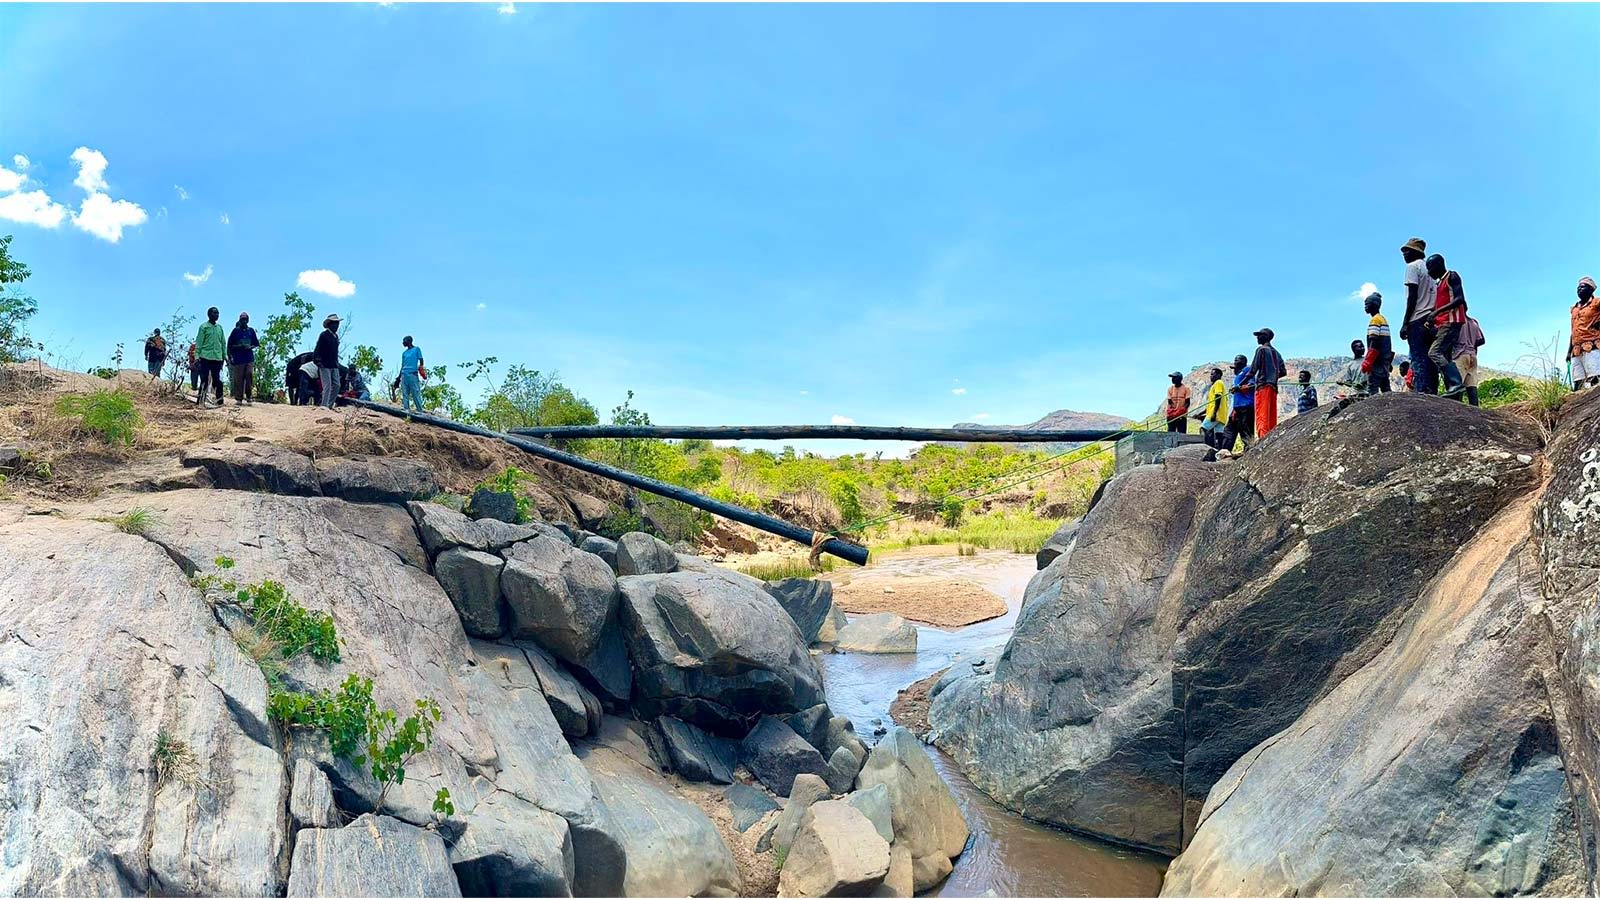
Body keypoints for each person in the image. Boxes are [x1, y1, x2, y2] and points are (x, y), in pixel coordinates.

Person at [1425, 254, 1468, 400]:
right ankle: (1454, 390)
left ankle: (1456, 383)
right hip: (1444, 321)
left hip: (1451, 321)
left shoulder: (1452, 276)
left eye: (1430, 268)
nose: (1429, 272)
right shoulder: (1439, 284)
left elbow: (1460, 299)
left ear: (1439, 265)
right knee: (1446, 355)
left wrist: (1437, 312)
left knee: (1434, 352)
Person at [1399, 237, 1439, 395]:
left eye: (1407, 250)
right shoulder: (1430, 271)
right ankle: (1432, 392)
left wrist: (1405, 323)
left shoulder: (1412, 267)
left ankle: (1422, 393)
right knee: (1431, 358)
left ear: (1416, 252)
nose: (1404, 254)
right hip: (1431, 319)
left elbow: (1412, 297)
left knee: (1418, 357)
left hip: (1417, 318)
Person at [1250, 328, 1286, 439]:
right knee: (1271, 415)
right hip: (1273, 387)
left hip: (1262, 386)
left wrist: (1239, 385)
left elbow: (1252, 371)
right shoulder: (1277, 353)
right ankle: (1271, 439)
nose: (1257, 338)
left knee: (1262, 414)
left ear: (1266, 336)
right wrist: (1273, 376)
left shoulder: (1261, 350)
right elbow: (1283, 372)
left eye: (1259, 335)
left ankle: (1263, 439)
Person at [1220, 354, 1255, 452]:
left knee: (1246, 431)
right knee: (1229, 431)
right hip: (1237, 408)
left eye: (1237, 360)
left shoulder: (1247, 370)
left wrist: (1239, 388)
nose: (1235, 362)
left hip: (1246, 406)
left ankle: (1250, 451)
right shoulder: (1237, 377)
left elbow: (1252, 385)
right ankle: (1224, 452)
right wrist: (1234, 410)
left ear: (1243, 361)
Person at [1361, 291, 1394, 394]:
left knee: (1372, 389)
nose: (1365, 307)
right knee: (1385, 388)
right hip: (1384, 361)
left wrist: (1368, 361)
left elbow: (1374, 342)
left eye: (1367, 304)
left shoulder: (1375, 321)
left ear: (1374, 304)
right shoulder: (1383, 319)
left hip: (1377, 362)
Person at [1571, 276, 1600, 390]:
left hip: (1592, 348)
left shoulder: (1596, 302)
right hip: (1576, 350)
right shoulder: (1575, 308)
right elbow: (1573, 330)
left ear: (1591, 290)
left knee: (1595, 380)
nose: (1579, 289)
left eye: (1583, 287)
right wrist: (1569, 352)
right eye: (1578, 287)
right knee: (1578, 383)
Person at [193, 307, 226, 407]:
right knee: (204, 379)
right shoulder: (203, 327)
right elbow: (199, 343)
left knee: (217, 380)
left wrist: (224, 356)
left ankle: (220, 401)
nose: (216, 315)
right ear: (209, 315)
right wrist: (197, 357)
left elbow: (223, 343)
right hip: (205, 357)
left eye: (217, 313)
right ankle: (201, 401)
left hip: (217, 358)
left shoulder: (220, 328)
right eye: (214, 313)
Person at [1451, 314, 1485, 406]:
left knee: (1457, 383)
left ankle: (1456, 407)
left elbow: (1451, 337)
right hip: (1473, 355)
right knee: (1471, 384)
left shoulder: (1456, 320)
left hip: (1460, 354)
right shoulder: (1473, 322)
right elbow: (1482, 340)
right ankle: (1475, 408)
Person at [227, 312, 259, 406]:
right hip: (238, 358)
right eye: (242, 319)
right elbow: (229, 345)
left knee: (249, 375)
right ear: (239, 320)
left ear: (248, 320)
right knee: (238, 378)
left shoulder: (251, 331)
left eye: (245, 319)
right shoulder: (235, 331)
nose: (244, 321)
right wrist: (231, 356)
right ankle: (239, 398)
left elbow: (256, 343)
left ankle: (249, 397)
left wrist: (250, 347)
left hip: (249, 358)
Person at [314, 314, 342, 409]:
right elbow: (317, 350)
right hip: (324, 364)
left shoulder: (336, 337)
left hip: (334, 364)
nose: (336, 326)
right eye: (334, 324)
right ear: (329, 324)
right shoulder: (324, 335)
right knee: (327, 385)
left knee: (337, 385)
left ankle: (329, 405)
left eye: (337, 324)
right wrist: (318, 362)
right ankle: (324, 406)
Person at [1200, 367, 1229, 448]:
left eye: (1213, 374)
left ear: (1219, 375)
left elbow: (1218, 397)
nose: (1211, 376)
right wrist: (1201, 413)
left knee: (1204, 428)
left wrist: (1214, 413)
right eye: (1210, 374)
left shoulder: (1218, 383)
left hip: (1216, 414)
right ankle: (1220, 452)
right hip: (1221, 415)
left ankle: (1207, 449)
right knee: (1219, 435)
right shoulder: (1218, 384)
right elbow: (1212, 403)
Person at [399, 335, 426, 414]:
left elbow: (421, 359)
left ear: (409, 341)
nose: (403, 342)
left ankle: (419, 410)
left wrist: (421, 368)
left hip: (412, 374)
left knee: (416, 392)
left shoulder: (416, 349)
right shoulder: (404, 353)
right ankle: (406, 409)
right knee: (405, 393)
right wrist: (399, 377)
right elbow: (402, 365)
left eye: (404, 341)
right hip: (404, 374)